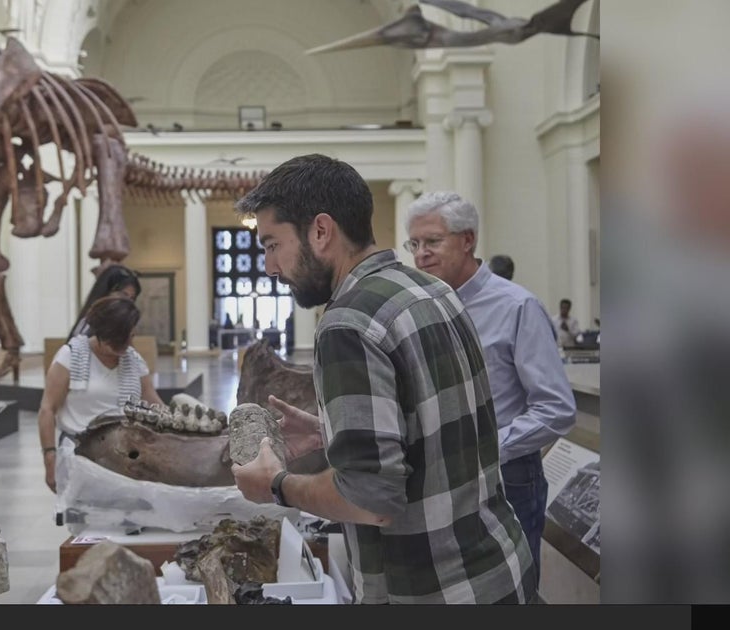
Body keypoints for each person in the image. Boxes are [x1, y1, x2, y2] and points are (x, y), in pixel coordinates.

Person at [230, 154, 534, 604]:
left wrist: (276, 484)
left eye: (273, 245)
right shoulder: (433, 291)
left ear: (320, 231)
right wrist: (330, 433)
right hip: (500, 568)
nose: (271, 268)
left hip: (433, 591)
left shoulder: (348, 322)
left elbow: (372, 499)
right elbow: (437, 430)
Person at [405, 191, 577, 591]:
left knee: (510, 588)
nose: (421, 254)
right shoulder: (423, 306)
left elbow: (556, 408)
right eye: (414, 244)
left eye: (432, 241)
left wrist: (485, 449)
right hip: (438, 476)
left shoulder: (517, 307)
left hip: (507, 474)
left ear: (468, 240)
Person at [39, 296, 164, 494]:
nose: (126, 345)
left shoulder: (133, 360)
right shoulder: (70, 356)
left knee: (131, 519)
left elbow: (155, 404)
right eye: (119, 340)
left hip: (125, 457)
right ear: (102, 334)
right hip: (80, 455)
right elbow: (47, 409)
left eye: (130, 337)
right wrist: (49, 457)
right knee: (93, 520)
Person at [68, 264, 141, 338]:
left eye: (132, 298)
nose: (127, 302)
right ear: (106, 293)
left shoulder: (126, 326)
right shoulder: (88, 324)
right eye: (123, 295)